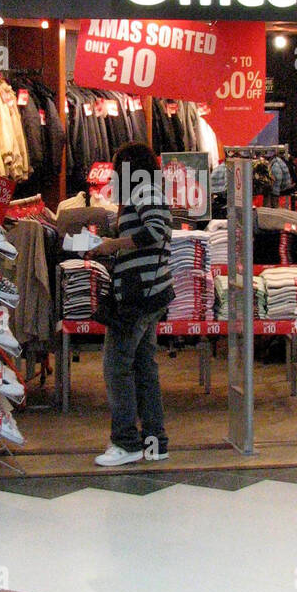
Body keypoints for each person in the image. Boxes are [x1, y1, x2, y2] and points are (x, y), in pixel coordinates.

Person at [91, 142, 174, 467]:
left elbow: (157, 231)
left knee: (116, 366)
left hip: (139, 294)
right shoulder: (146, 192)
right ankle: (154, 443)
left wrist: (113, 244)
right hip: (149, 291)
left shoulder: (145, 193)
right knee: (143, 367)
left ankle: (126, 442)